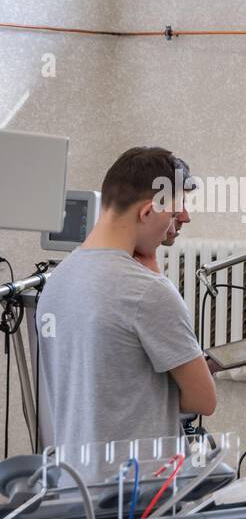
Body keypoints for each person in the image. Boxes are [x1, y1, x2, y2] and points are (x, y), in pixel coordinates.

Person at [37, 147, 216, 451]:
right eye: (173, 214)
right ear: (147, 212)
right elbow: (204, 400)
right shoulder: (147, 291)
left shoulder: (57, 281)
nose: (178, 223)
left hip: (75, 481)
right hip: (137, 487)